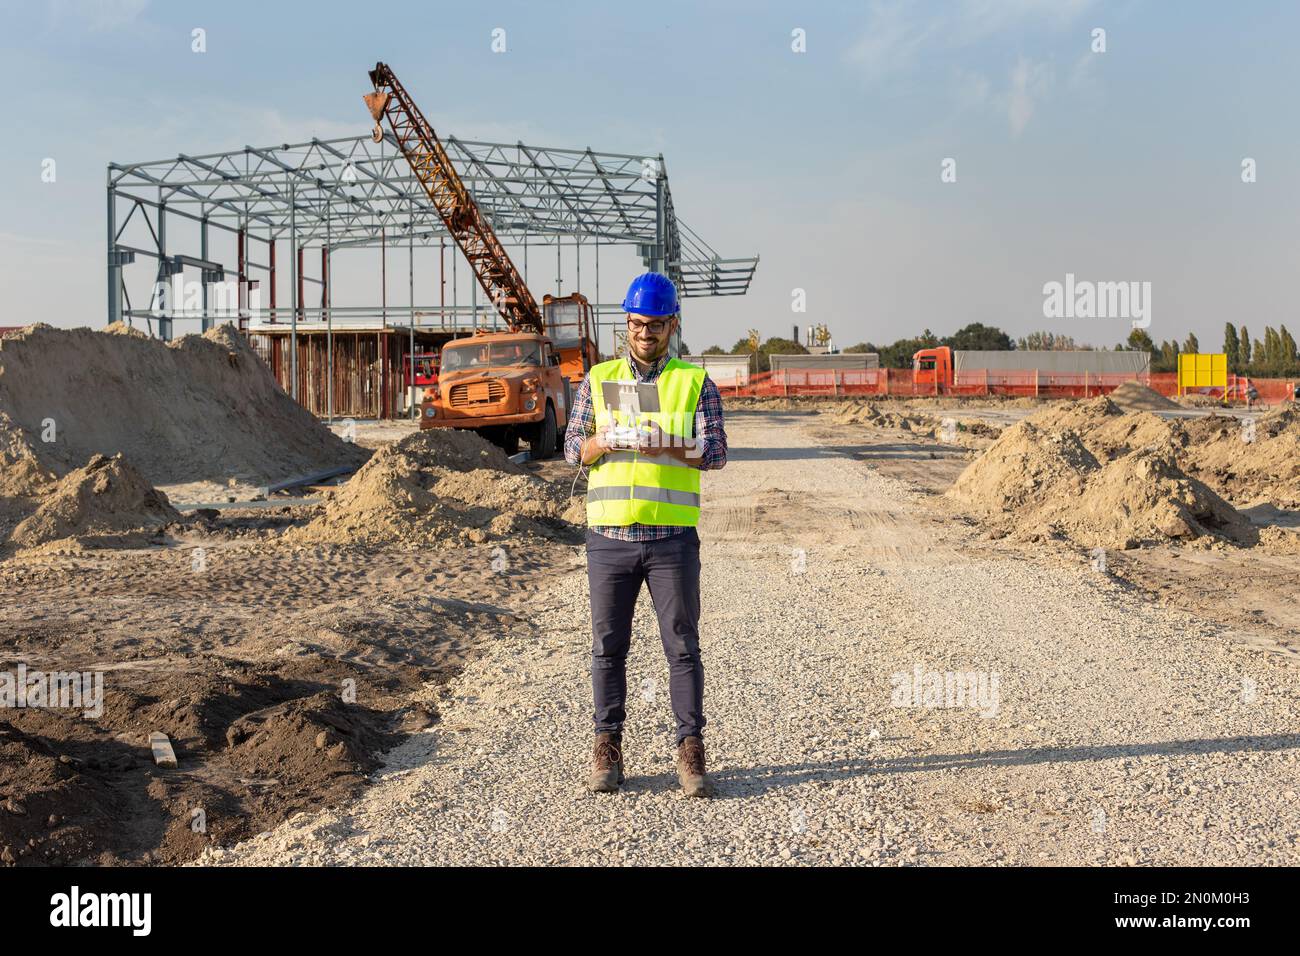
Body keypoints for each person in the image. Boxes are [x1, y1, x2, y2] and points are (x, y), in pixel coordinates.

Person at [563, 272, 728, 797]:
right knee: (608, 647)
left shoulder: (695, 384)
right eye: (637, 324)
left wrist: (670, 444)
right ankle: (607, 748)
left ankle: (691, 752)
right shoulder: (598, 379)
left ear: (672, 325)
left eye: (656, 325)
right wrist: (602, 439)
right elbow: (571, 451)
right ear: (625, 325)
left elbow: (718, 453)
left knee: (682, 647)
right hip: (609, 539)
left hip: (671, 540)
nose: (645, 333)